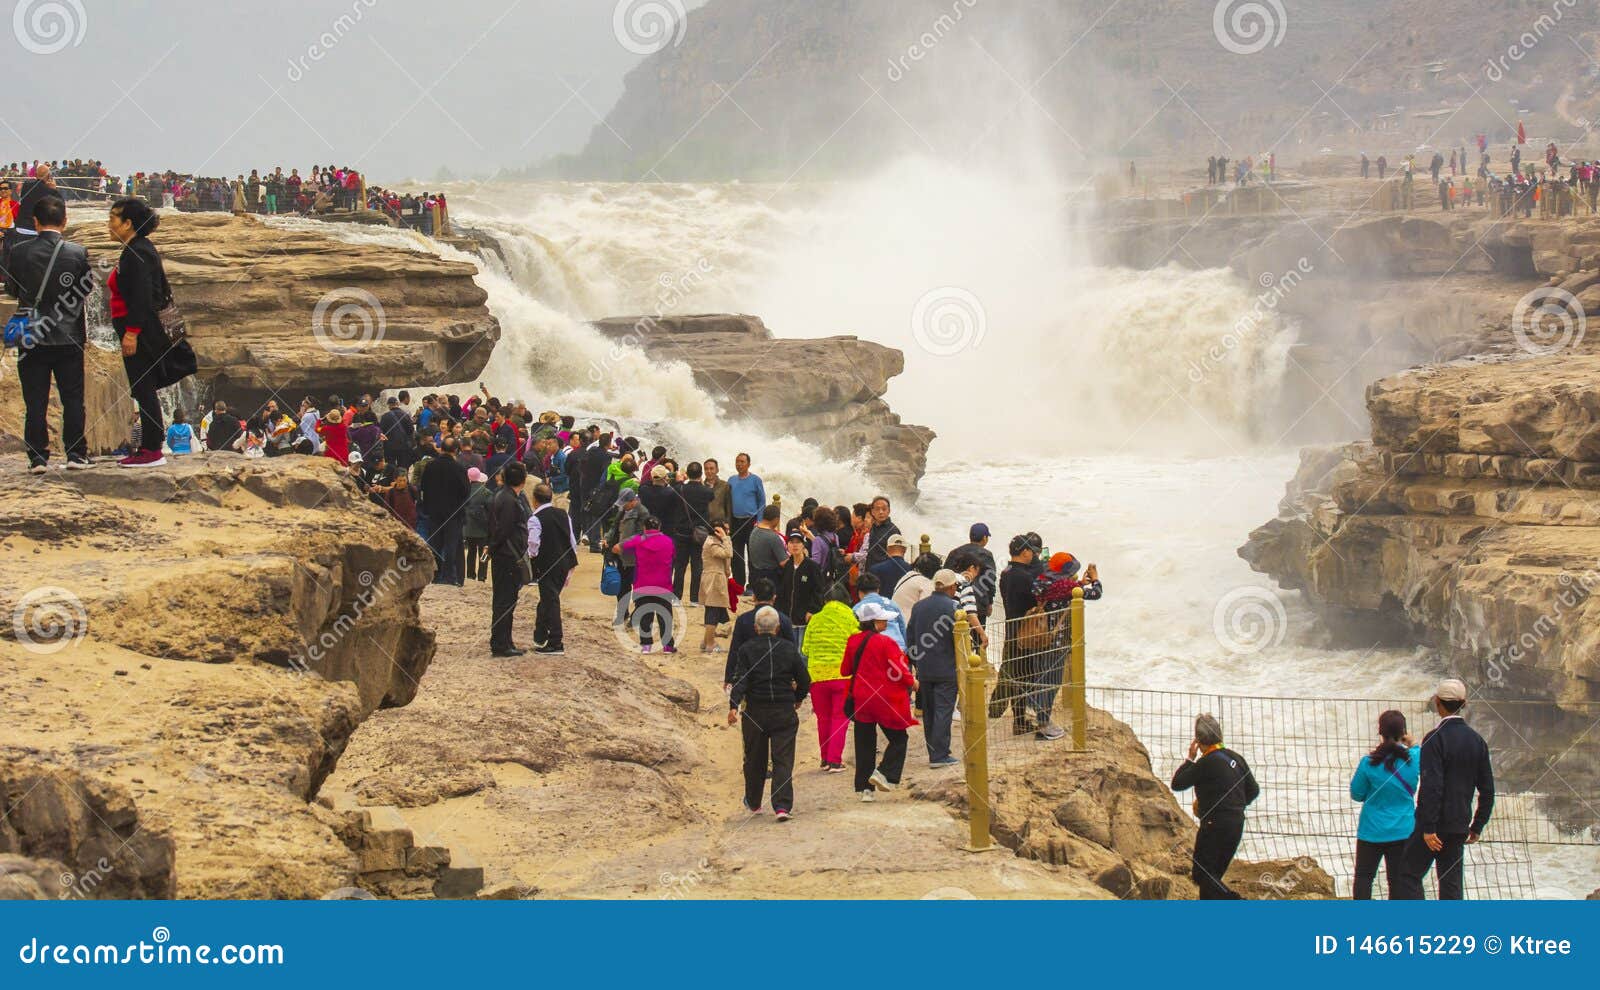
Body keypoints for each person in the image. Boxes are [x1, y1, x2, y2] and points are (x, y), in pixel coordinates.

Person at [6, 195, 91, 472]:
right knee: (73, 398)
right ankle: (76, 455)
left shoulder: (19, 251)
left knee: (35, 400)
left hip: (32, 334)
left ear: (35, 221)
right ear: (65, 221)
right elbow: (85, 290)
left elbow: (12, 290)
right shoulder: (78, 253)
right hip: (68, 336)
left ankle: (38, 458)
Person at [1392, 679, 1494, 900]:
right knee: (1451, 886)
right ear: (1463, 703)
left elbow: (1432, 785)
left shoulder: (1434, 739)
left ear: (1438, 703)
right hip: (1459, 825)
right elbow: (1487, 789)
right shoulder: (1477, 741)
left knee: (1408, 874)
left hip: (1434, 826)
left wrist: (1428, 827)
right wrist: (1477, 825)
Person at [106, 198, 173, 468]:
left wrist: (132, 332)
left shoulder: (138, 252)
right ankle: (149, 448)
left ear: (128, 224)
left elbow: (143, 297)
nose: (108, 225)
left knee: (143, 387)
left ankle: (151, 450)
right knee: (142, 387)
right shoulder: (135, 249)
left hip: (140, 331)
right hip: (137, 329)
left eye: (113, 219)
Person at [727, 606, 810, 821]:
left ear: (756, 628)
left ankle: (754, 802)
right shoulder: (789, 649)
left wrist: (733, 706)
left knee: (755, 758)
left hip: (755, 711)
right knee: (783, 759)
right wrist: (798, 697)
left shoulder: (746, 649)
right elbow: (804, 679)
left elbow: (740, 679)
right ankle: (782, 806)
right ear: (778, 627)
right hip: (783, 709)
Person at [1171, 714, 1259, 899]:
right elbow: (1253, 790)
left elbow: (1177, 783)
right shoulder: (1237, 758)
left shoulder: (1206, 762)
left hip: (1214, 824)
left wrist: (1190, 758)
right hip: (1237, 823)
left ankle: (1237, 901)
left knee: (1201, 874)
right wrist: (1235, 805)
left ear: (1198, 740)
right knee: (1213, 878)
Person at [843, 601, 918, 802]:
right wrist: (913, 682)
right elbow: (901, 670)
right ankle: (884, 773)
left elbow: (845, 670)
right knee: (899, 738)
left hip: (862, 699)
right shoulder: (887, 643)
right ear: (875, 622)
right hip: (885, 699)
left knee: (864, 743)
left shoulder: (852, 641)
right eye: (882, 618)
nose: (886, 621)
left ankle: (864, 789)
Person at [1349, 710, 1420, 900]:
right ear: (1403, 732)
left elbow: (1356, 793)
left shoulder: (1368, 762)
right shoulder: (1414, 758)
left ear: (1380, 732)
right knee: (1397, 880)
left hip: (1371, 829)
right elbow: (1416, 749)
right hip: (1403, 829)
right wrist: (1411, 742)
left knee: (1364, 877)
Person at [907, 571, 963, 768]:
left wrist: (916, 662)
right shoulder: (955, 607)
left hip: (925, 668)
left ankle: (934, 752)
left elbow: (911, 637)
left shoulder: (919, 607)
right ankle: (940, 755)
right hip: (947, 669)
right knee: (943, 711)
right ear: (950, 587)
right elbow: (961, 640)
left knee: (929, 712)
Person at [801, 597, 857, 773]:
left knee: (823, 718)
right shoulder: (850, 616)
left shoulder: (815, 618)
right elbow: (856, 642)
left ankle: (825, 759)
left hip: (817, 676)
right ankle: (834, 761)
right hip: (842, 675)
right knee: (840, 717)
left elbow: (805, 649)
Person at [527, 482, 577, 656]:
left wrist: (532, 557)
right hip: (564, 563)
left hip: (547, 564)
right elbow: (572, 539)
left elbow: (533, 543)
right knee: (548, 599)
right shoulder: (563, 514)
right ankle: (540, 634)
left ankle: (556, 641)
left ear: (534, 500)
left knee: (551, 601)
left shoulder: (535, 519)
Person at [487, 460, 531, 658]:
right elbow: (503, 530)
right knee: (505, 601)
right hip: (507, 556)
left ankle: (505, 640)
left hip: (504, 554)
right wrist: (495, 547)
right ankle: (500, 644)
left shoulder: (503, 496)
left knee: (505, 600)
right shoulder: (510, 500)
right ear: (522, 480)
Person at [724, 578, 793, 689]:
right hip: (778, 680)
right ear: (774, 598)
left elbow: (735, 650)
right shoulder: (784, 620)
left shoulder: (743, 620)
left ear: (754, 597)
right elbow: (792, 651)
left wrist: (729, 678)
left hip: (750, 680)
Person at [421, 438, 470, 586]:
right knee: (451, 544)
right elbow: (465, 491)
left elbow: (423, 488)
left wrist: (427, 507)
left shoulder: (430, 466)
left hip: (434, 511)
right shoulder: (459, 468)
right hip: (453, 512)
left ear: (441, 448)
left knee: (435, 543)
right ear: (456, 450)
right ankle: (449, 576)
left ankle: (436, 575)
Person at [606, 488, 649, 626]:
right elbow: (614, 526)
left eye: (626, 503)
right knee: (622, 587)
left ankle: (636, 616)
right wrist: (608, 538)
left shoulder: (643, 512)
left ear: (633, 501)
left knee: (638, 589)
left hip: (635, 557)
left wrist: (623, 545)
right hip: (621, 556)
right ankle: (622, 613)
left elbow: (640, 535)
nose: (623, 506)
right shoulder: (622, 510)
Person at [726, 453, 766, 584]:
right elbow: (727, 501)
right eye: (737, 461)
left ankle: (752, 585)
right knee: (736, 554)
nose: (739, 464)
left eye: (742, 461)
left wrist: (759, 521)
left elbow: (762, 501)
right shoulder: (731, 480)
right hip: (735, 521)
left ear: (749, 464)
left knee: (752, 554)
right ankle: (738, 583)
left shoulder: (756, 480)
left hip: (751, 521)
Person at [949, 524, 998, 623]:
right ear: (984, 538)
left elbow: (946, 575)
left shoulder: (954, 552)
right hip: (977, 604)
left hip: (955, 602)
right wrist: (990, 603)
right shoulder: (986, 555)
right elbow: (990, 580)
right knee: (977, 636)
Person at [776, 530, 825, 628]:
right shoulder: (787, 566)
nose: (795, 545)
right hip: (787, 619)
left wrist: (812, 610)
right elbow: (782, 591)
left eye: (798, 542)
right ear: (787, 546)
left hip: (804, 619)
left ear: (803, 545)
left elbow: (819, 591)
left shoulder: (812, 567)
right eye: (791, 542)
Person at [699, 522, 734, 653]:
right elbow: (728, 553)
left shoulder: (713, 541)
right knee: (712, 612)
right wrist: (725, 538)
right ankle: (710, 643)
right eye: (726, 530)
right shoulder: (712, 543)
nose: (728, 532)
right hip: (714, 580)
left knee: (715, 611)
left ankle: (705, 641)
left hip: (716, 578)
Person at [852, 572, 906, 648]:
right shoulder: (892, 604)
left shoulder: (856, 609)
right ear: (877, 590)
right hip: (898, 647)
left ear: (859, 592)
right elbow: (902, 628)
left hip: (873, 650)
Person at [746, 505, 788, 590]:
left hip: (755, 574)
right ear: (776, 519)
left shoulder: (754, 531)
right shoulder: (772, 537)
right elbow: (783, 562)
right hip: (771, 577)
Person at [462, 467, 493, 582]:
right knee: (483, 552)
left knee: (471, 552)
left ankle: (470, 574)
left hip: (468, 527)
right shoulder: (486, 492)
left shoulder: (464, 491)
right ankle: (482, 575)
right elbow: (491, 510)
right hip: (482, 528)